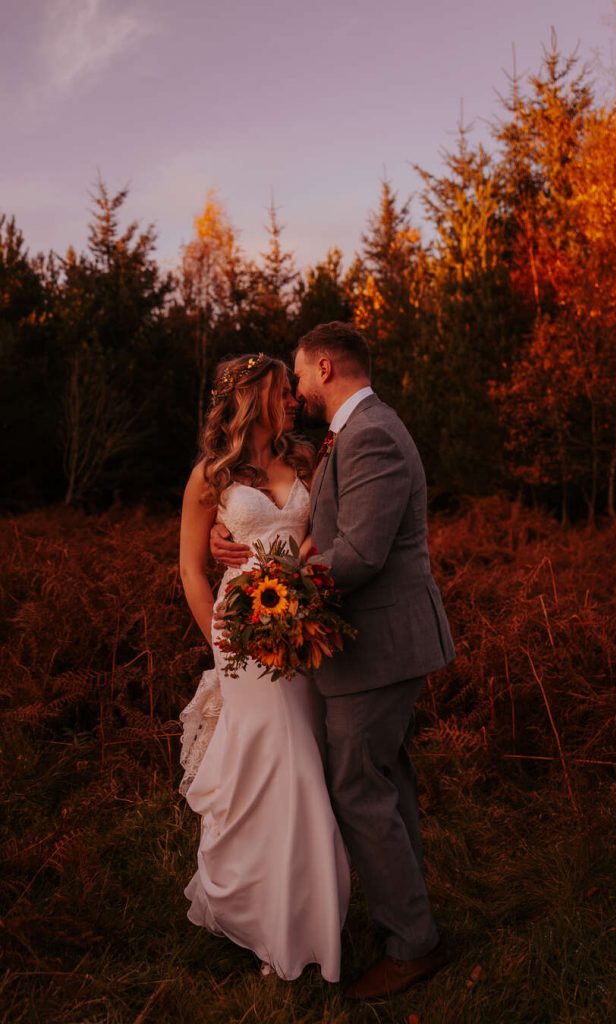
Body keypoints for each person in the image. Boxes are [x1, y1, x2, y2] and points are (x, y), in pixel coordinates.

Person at [211, 322, 456, 999]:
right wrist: (228, 537)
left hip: (378, 648)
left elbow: (363, 553)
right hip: (371, 646)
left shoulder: (370, 432)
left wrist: (277, 601)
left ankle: (412, 944)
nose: (298, 391)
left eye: (300, 376)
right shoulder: (349, 435)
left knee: (357, 789)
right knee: (383, 781)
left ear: (324, 366)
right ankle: (411, 923)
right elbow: (319, 528)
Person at [178, 352, 350, 983]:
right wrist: (221, 645)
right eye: (282, 391)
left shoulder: (305, 459)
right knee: (284, 760)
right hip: (243, 634)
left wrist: (303, 578)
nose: (292, 400)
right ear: (252, 397)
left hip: (302, 621)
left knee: (302, 752)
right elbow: (192, 570)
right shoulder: (211, 476)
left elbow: (322, 534)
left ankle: (289, 907)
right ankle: (284, 922)